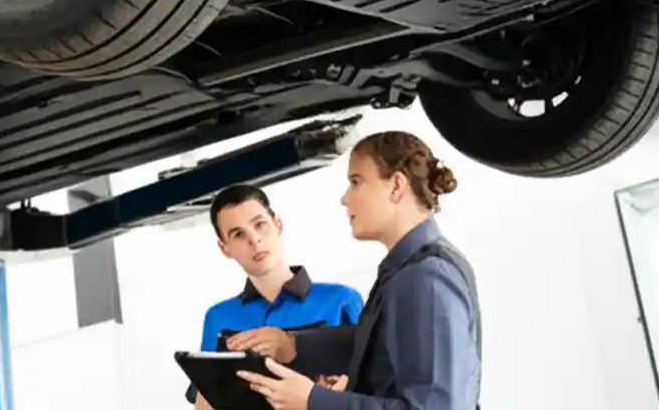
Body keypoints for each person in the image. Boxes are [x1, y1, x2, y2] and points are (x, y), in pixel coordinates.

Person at [236, 131, 482, 410]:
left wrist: (314, 401)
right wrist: (292, 346)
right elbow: (376, 344)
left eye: (356, 182)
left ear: (396, 185)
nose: (345, 198)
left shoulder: (426, 277)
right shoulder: (408, 270)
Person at [189, 184, 364, 409]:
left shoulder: (341, 301)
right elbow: (205, 400)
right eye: (238, 234)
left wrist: (343, 388)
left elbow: (379, 382)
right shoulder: (218, 318)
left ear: (277, 224)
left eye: (259, 225)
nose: (254, 240)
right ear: (225, 248)